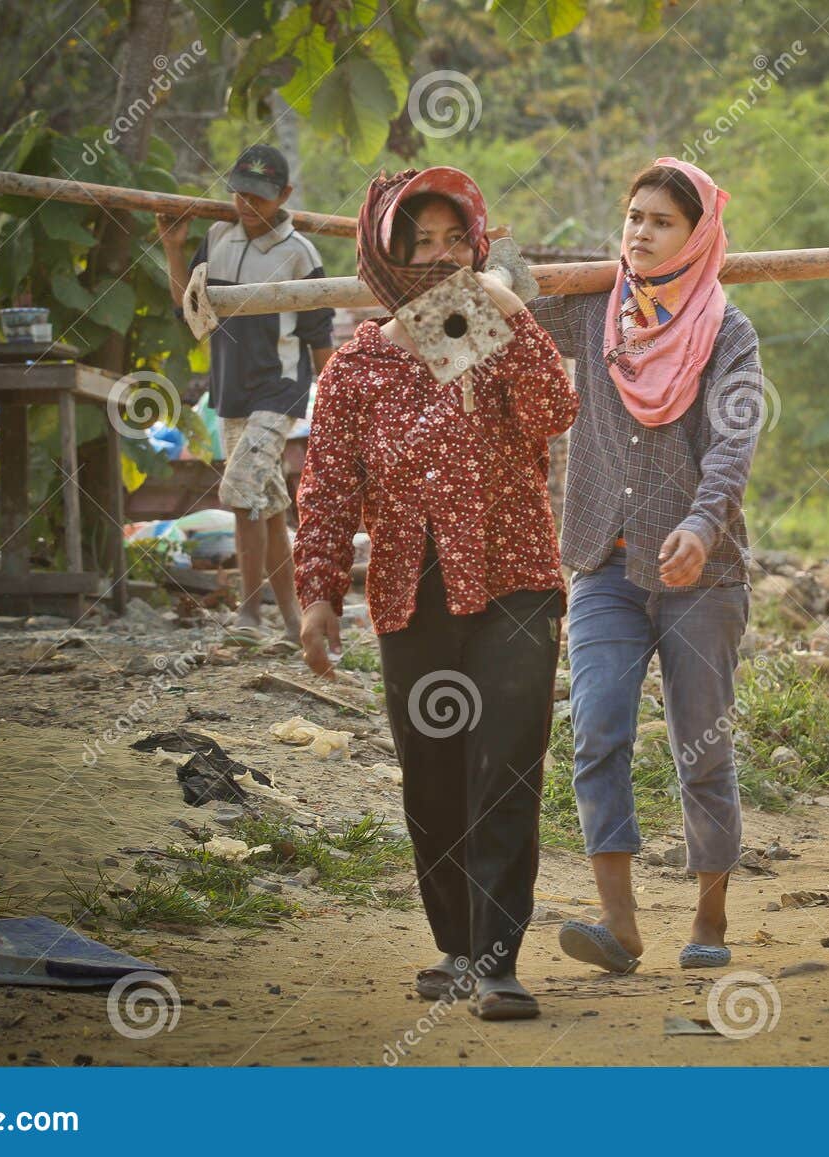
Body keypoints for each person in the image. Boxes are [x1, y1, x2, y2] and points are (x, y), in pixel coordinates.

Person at [292, 167, 579, 1021]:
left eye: (459, 240)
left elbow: (555, 409)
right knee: (433, 773)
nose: (444, 258)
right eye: (422, 244)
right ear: (387, 258)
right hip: (409, 586)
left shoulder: (486, 329)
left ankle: (498, 961)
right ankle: (454, 945)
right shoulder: (356, 368)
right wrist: (315, 595)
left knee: (506, 763)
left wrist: (512, 310)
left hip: (514, 575)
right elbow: (329, 489)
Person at [529, 159, 765, 974]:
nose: (641, 232)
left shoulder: (728, 331)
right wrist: (479, 262)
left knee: (702, 749)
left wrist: (703, 525)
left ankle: (709, 916)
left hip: (704, 577)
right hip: (603, 562)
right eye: (634, 216)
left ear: (697, 236)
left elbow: (735, 438)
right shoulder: (592, 309)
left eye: (662, 221)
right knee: (596, 728)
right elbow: (501, 318)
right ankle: (619, 923)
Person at [158, 143, 336, 647]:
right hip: (230, 394)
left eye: (259, 197)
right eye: (238, 192)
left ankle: (248, 616)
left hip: (278, 393)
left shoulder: (301, 254)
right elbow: (190, 310)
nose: (245, 204)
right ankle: (290, 621)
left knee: (239, 493)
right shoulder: (216, 238)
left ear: (284, 195)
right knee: (266, 506)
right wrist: (174, 249)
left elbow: (320, 340)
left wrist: (337, 407)